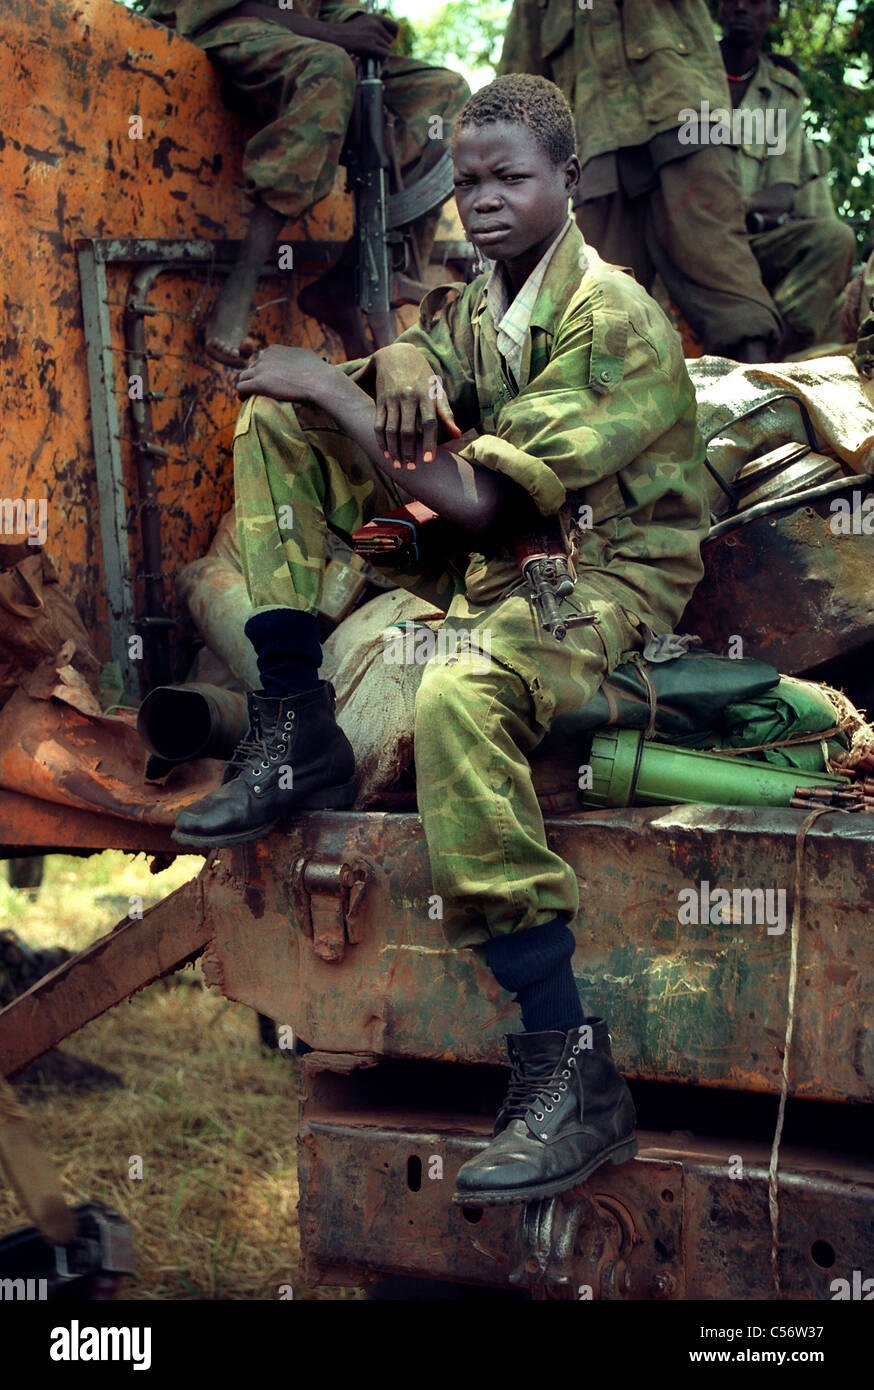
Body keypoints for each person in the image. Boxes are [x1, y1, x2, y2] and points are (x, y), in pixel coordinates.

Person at [173, 75, 710, 1205]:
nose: (484, 201)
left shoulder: (610, 314)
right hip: (502, 560)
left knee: (457, 695)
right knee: (279, 420)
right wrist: (403, 354)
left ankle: (570, 1066)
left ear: (569, 180)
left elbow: (473, 501)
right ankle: (293, 724)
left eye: (512, 178)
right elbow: (422, 390)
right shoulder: (482, 303)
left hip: (598, 581)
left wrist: (345, 378)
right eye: (466, 182)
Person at [142, 0, 469, 362]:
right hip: (229, 30)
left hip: (317, 44)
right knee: (330, 67)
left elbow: (333, 7)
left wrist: (360, 26)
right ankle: (241, 285)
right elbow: (213, 12)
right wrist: (336, 35)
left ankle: (345, 285)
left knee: (446, 91)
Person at [497, 0, 782, 362]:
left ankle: (766, 398)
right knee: (603, 306)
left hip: (686, 117)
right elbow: (518, 87)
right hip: (599, 141)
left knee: (721, 268)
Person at [718, 0, 856, 356]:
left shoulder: (782, 94)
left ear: (775, 12)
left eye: (755, 1)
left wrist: (741, 207)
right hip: (694, 233)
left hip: (751, 238)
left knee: (837, 238)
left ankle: (775, 354)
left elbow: (780, 193)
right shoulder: (690, 74)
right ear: (719, 7)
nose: (741, 7)